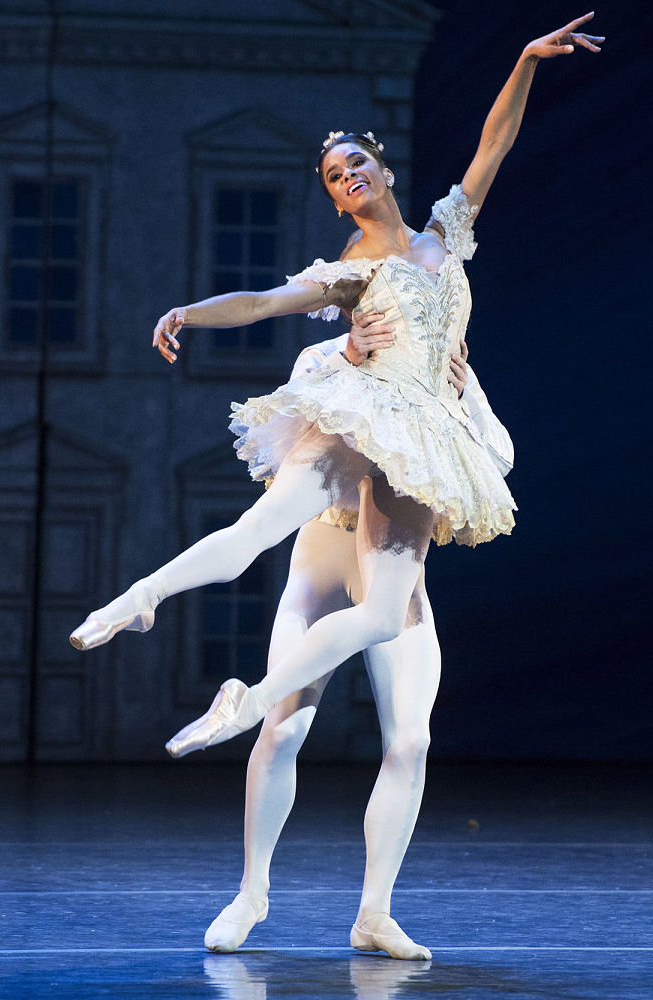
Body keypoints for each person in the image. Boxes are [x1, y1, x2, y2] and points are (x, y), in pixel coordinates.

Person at [71, 14, 602, 762]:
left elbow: (494, 145)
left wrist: (523, 59)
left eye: (356, 164)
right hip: (369, 416)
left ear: (383, 172)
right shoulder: (349, 270)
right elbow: (260, 303)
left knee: (384, 617)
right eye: (333, 177)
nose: (348, 176)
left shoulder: (444, 237)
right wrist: (188, 312)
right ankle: (142, 599)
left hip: (427, 430)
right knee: (259, 532)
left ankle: (243, 696)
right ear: (337, 201)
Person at [203, 323, 512, 961]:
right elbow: (293, 434)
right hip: (321, 563)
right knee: (283, 728)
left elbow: (500, 456)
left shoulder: (445, 373)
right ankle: (251, 893)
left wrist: (458, 403)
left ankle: (375, 913)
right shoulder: (324, 356)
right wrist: (346, 359)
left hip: (396, 577)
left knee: (411, 739)